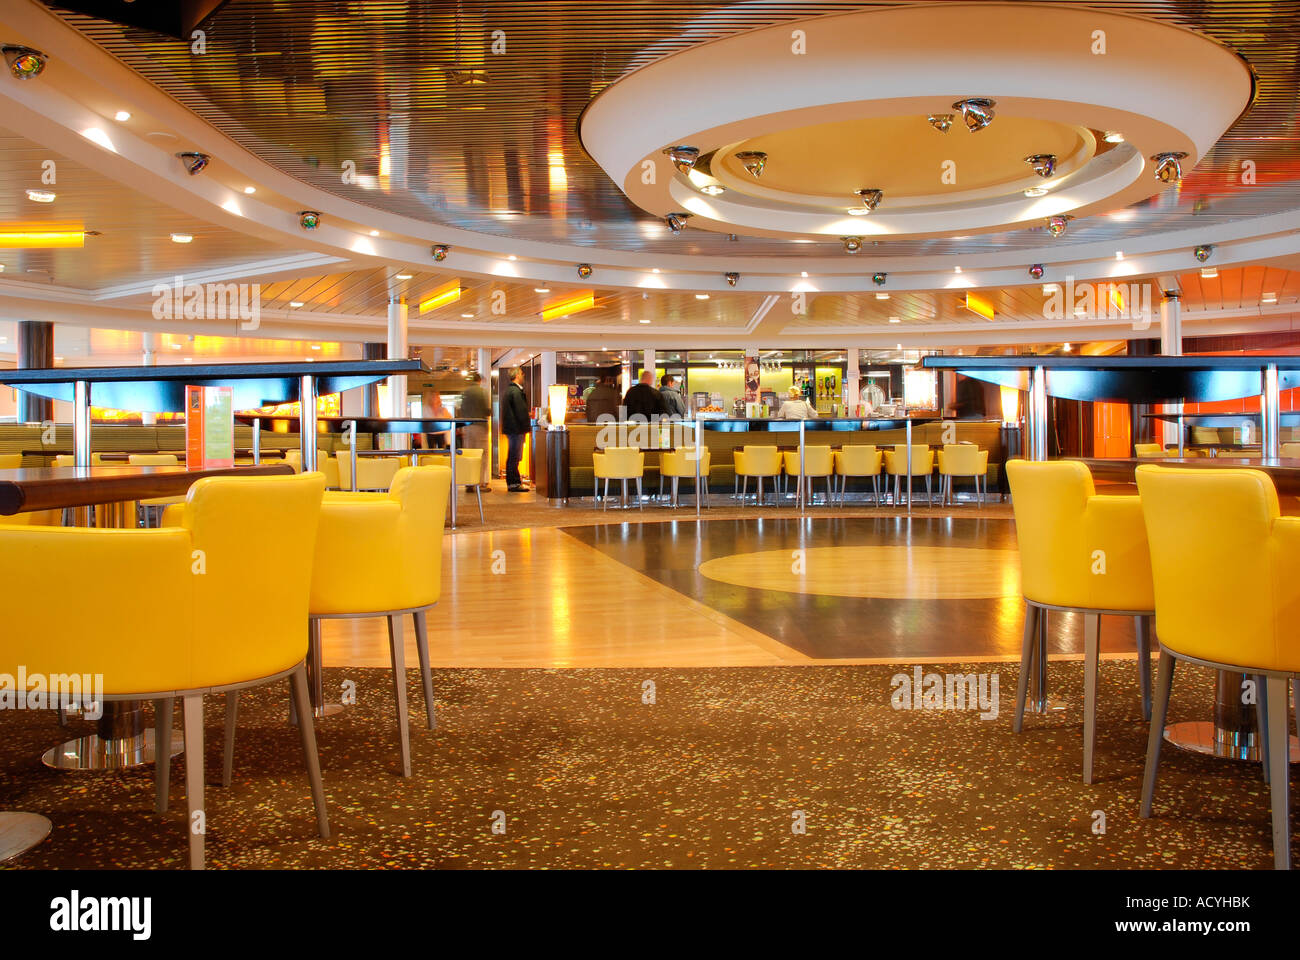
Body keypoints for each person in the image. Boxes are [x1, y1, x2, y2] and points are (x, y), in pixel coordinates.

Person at [459, 373, 492, 490]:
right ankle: (480, 483)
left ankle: (469, 482)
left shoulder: (465, 393)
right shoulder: (482, 392)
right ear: (480, 380)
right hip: (480, 426)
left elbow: (461, 410)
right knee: (481, 455)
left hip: (467, 427)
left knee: (469, 456)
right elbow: (486, 410)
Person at [502, 367, 531, 492]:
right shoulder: (516, 392)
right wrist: (526, 426)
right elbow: (521, 412)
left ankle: (513, 482)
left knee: (512, 455)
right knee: (514, 456)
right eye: (522, 373)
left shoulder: (509, 391)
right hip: (516, 429)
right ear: (518, 375)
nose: (523, 375)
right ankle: (514, 483)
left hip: (511, 429)